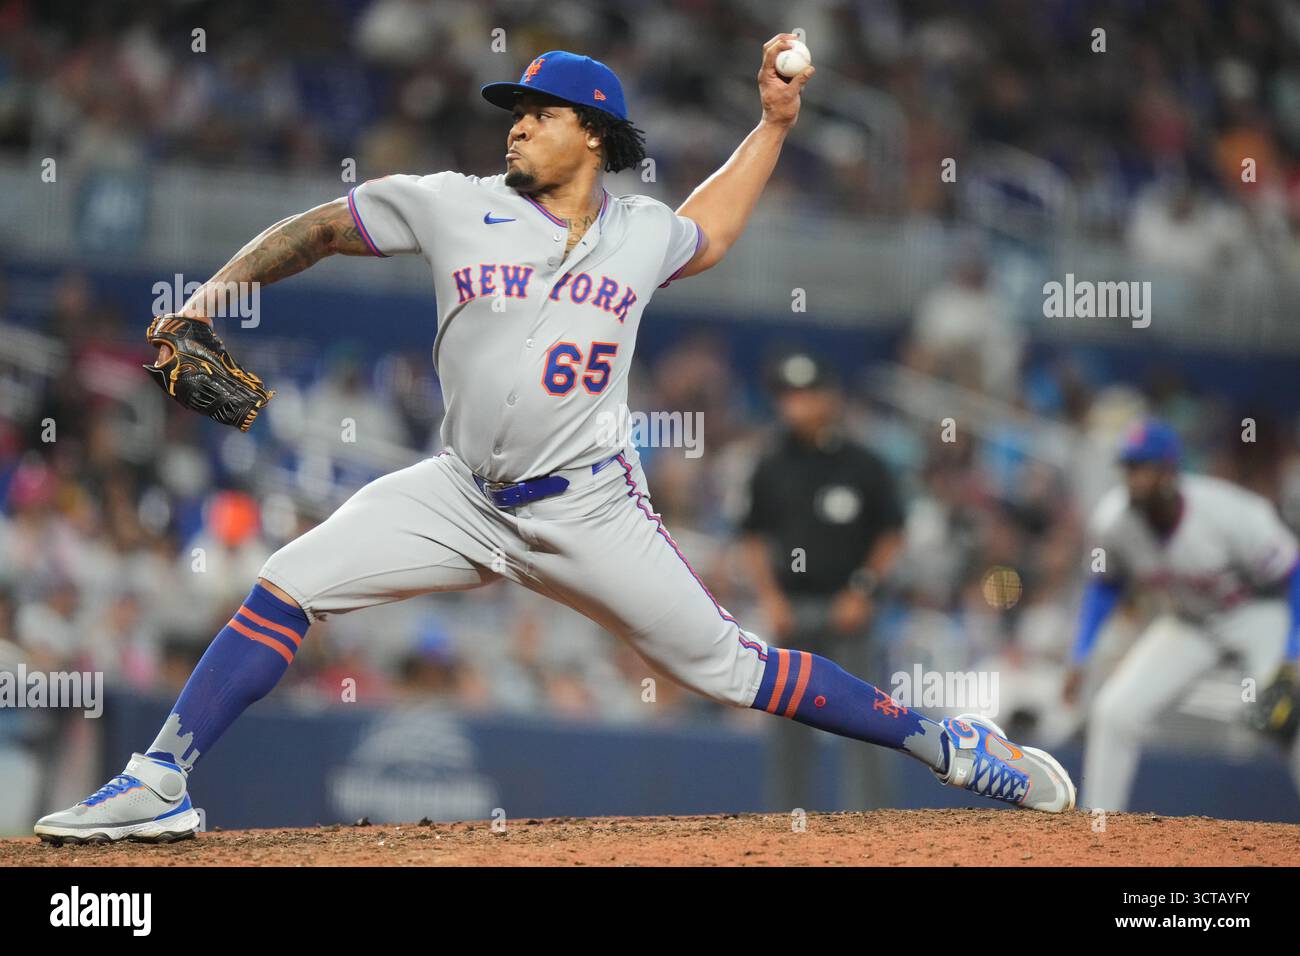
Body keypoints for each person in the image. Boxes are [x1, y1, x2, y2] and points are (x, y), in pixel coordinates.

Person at [36, 40, 1073, 844]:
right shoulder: (452, 205)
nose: (516, 128)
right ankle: (160, 778)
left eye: (536, 113)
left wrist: (772, 124)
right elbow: (316, 228)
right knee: (289, 576)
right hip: (458, 490)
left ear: (593, 131)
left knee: (731, 669)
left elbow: (708, 230)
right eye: (516, 112)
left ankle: (946, 741)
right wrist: (208, 301)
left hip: (589, 505)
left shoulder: (637, 233)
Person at [1064, 419, 1300, 810]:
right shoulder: (1115, 522)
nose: (1132, 478)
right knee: (1114, 711)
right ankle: (1097, 834)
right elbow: (1105, 586)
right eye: (1128, 467)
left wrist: (1292, 654)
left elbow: (1294, 573)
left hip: (1256, 614)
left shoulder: (1230, 512)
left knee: (1292, 714)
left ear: (1170, 470)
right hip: (1188, 624)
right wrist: (1081, 652)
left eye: (1143, 467)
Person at [740, 351, 903, 811]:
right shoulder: (770, 464)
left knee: (866, 722)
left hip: (849, 611)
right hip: (792, 613)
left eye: (806, 394)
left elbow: (892, 533)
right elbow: (751, 537)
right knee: (788, 728)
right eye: (787, 396)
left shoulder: (864, 464)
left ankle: (873, 827)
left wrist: (863, 588)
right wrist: (770, 599)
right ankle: (787, 829)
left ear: (830, 398)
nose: (795, 405)